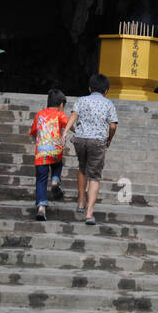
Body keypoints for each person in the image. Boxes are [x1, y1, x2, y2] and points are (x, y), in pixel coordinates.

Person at [62, 73, 118, 226]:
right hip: (97, 142)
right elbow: (113, 125)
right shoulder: (108, 104)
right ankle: (89, 213)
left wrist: (66, 131)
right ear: (106, 90)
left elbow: (74, 115)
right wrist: (109, 139)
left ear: (89, 88)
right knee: (94, 176)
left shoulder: (82, 100)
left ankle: (81, 202)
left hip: (80, 140)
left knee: (82, 168)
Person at [29, 88, 69, 222]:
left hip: (41, 153)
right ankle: (55, 179)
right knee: (58, 164)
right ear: (61, 105)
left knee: (40, 180)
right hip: (55, 152)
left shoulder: (39, 114)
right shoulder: (59, 114)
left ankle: (41, 208)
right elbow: (69, 124)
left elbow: (34, 131)